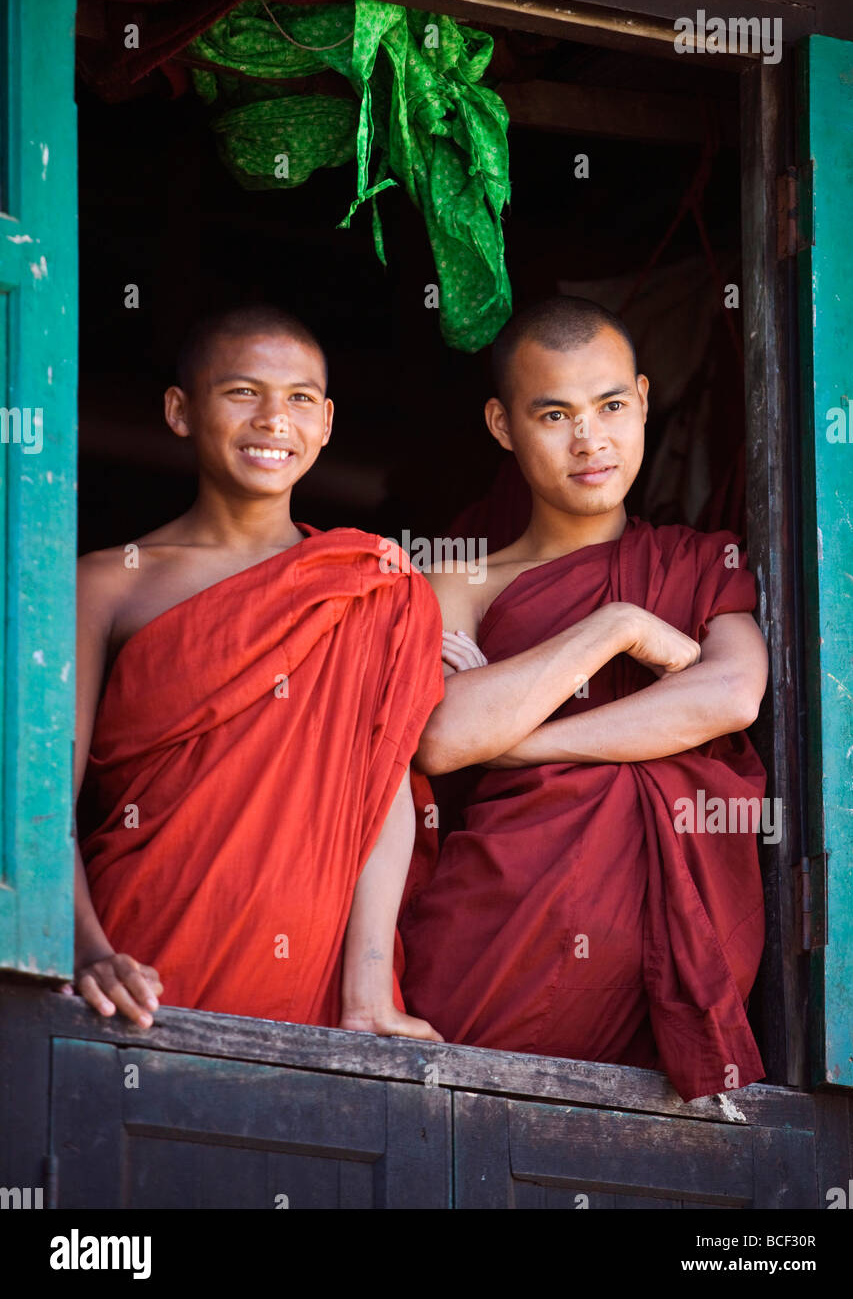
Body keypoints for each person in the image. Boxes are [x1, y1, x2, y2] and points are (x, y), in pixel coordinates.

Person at [399, 296, 769, 1101]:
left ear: (642, 399)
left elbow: (732, 695)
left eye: (609, 407)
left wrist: (521, 733)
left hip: (667, 959)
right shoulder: (456, 581)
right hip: (495, 939)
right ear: (502, 426)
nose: (589, 439)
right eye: (554, 414)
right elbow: (436, 737)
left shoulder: (701, 560)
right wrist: (616, 627)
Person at [69, 304, 443, 1042]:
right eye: (243, 392)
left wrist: (368, 994)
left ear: (327, 421)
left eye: (300, 398)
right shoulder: (109, 585)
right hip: (141, 956)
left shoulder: (371, 583)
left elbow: (384, 790)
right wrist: (87, 951)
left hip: (312, 971)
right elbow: (39, 799)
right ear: (181, 410)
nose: (275, 419)